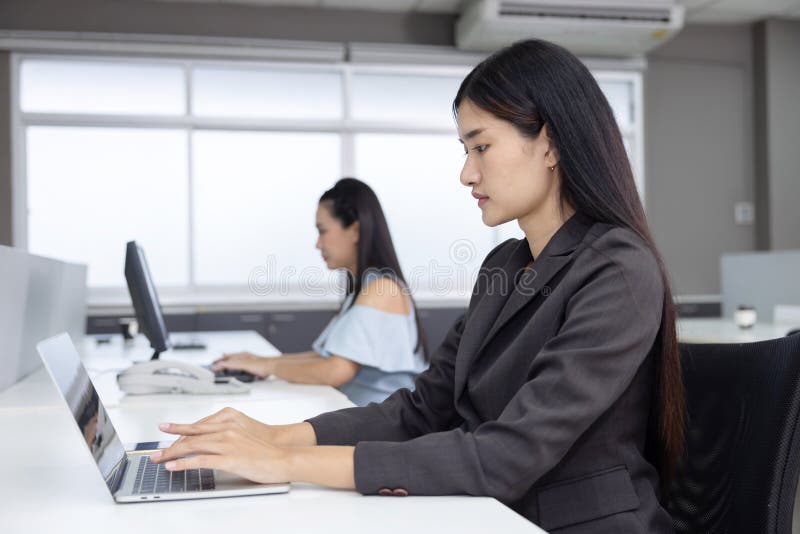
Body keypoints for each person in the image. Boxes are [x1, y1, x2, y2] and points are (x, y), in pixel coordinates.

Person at [151, 39, 684, 533]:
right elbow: (419, 411)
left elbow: (506, 456)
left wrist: (284, 462)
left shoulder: (616, 270)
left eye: (481, 147)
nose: (466, 175)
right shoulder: (505, 264)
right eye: (464, 151)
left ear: (549, 143)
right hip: (486, 511)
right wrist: (275, 435)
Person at [213, 177, 428, 406]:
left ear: (355, 230)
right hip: (365, 414)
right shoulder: (368, 286)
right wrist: (260, 361)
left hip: (384, 427)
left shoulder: (382, 289)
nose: (318, 244)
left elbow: (336, 370)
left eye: (322, 231)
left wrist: (267, 366)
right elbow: (326, 357)